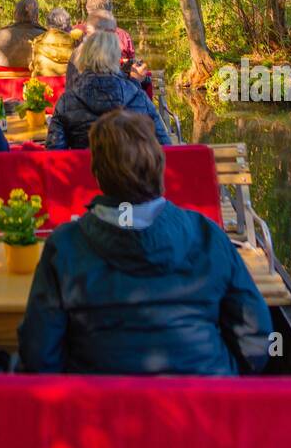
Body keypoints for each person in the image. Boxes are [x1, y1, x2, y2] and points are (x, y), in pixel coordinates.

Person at [18, 111, 272, 375]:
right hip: (203, 404)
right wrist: (224, 378)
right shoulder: (209, 235)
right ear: (159, 165)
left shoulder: (64, 245)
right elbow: (255, 337)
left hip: (101, 410)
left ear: (97, 174)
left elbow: (39, 357)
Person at [47, 30, 170, 148]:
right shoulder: (139, 97)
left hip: (85, 169)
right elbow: (166, 147)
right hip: (130, 169)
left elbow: (54, 156)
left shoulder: (66, 101)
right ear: (116, 58)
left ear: (83, 58)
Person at [0, 0, 45, 69]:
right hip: (38, 80)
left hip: (2, 79)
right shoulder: (48, 37)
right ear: (37, 16)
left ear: (15, 15)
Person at [30, 6, 79, 76]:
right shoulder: (76, 43)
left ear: (48, 25)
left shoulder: (38, 41)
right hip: (69, 85)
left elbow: (32, 67)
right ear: (67, 26)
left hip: (42, 85)